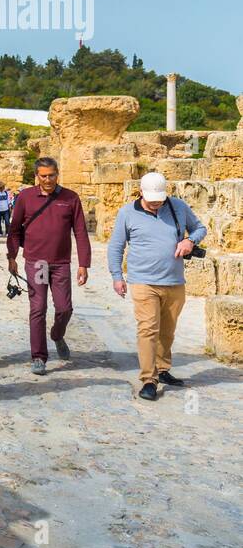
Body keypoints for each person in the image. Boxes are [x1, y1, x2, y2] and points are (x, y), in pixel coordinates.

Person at [107, 171, 206, 402]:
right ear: (140, 192)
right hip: (143, 281)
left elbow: (200, 228)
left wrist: (190, 241)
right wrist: (116, 276)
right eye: (151, 199)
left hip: (174, 281)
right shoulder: (127, 213)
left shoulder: (178, 207)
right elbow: (116, 246)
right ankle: (149, 380)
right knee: (148, 329)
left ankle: (163, 369)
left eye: (159, 199)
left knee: (167, 330)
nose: (155, 203)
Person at [6, 157, 91, 376]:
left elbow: (80, 232)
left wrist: (84, 263)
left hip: (61, 263)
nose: (48, 179)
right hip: (37, 263)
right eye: (43, 175)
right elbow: (14, 230)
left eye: (51, 175)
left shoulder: (70, 198)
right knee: (38, 308)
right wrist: (12, 256)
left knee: (64, 308)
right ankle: (39, 357)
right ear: (37, 176)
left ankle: (57, 334)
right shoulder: (25, 197)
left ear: (57, 174)